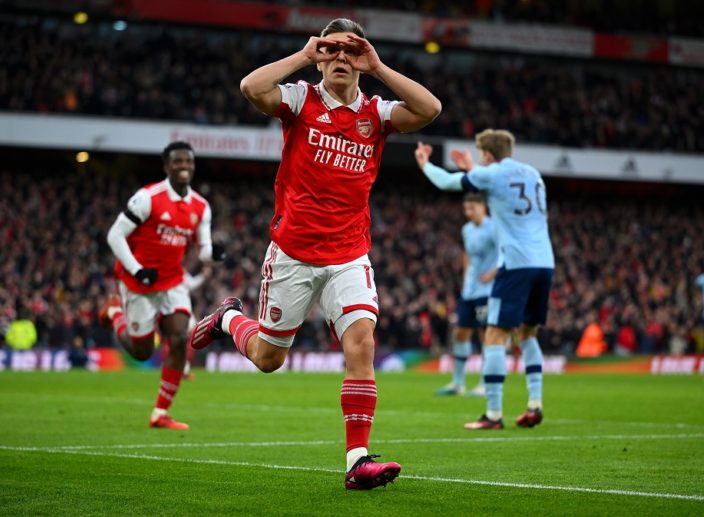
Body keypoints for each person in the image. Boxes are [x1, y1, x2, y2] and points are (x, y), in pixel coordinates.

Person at [190, 18, 441, 489]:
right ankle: (228, 319)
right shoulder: (301, 98)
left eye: (351, 51)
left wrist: (379, 65)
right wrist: (307, 55)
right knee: (268, 358)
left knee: (362, 343)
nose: (341, 59)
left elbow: (430, 109)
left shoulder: (376, 112)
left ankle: (357, 459)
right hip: (293, 253)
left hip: (349, 254)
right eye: (333, 50)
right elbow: (251, 87)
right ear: (321, 56)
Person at [414, 129, 554, 430]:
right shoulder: (533, 174)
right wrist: (474, 170)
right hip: (545, 262)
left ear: (488, 155)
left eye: (481, 155)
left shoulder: (492, 174)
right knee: (529, 334)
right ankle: (535, 404)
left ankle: (492, 414)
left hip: (515, 264)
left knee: (494, 336)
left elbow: (448, 182)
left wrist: (425, 163)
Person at [99, 141, 213, 430]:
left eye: (188, 161)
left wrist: (216, 253)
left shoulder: (200, 206)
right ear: (166, 167)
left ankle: (160, 413)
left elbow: (205, 250)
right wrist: (137, 270)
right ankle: (115, 312)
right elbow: (115, 235)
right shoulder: (148, 198)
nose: (183, 166)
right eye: (177, 162)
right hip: (138, 282)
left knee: (178, 339)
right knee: (142, 351)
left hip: (172, 281)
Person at [433, 191, 497, 396]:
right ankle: (458, 383)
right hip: (470, 290)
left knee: (485, 334)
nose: (469, 212)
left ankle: (485, 383)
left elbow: (506, 253)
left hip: (488, 290)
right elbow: (467, 253)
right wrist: (466, 277)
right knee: (461, 333)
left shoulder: (494, 228)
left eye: (472, 208)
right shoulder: (467, 229)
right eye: (466, 208)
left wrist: (492, 273)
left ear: (483, 208)